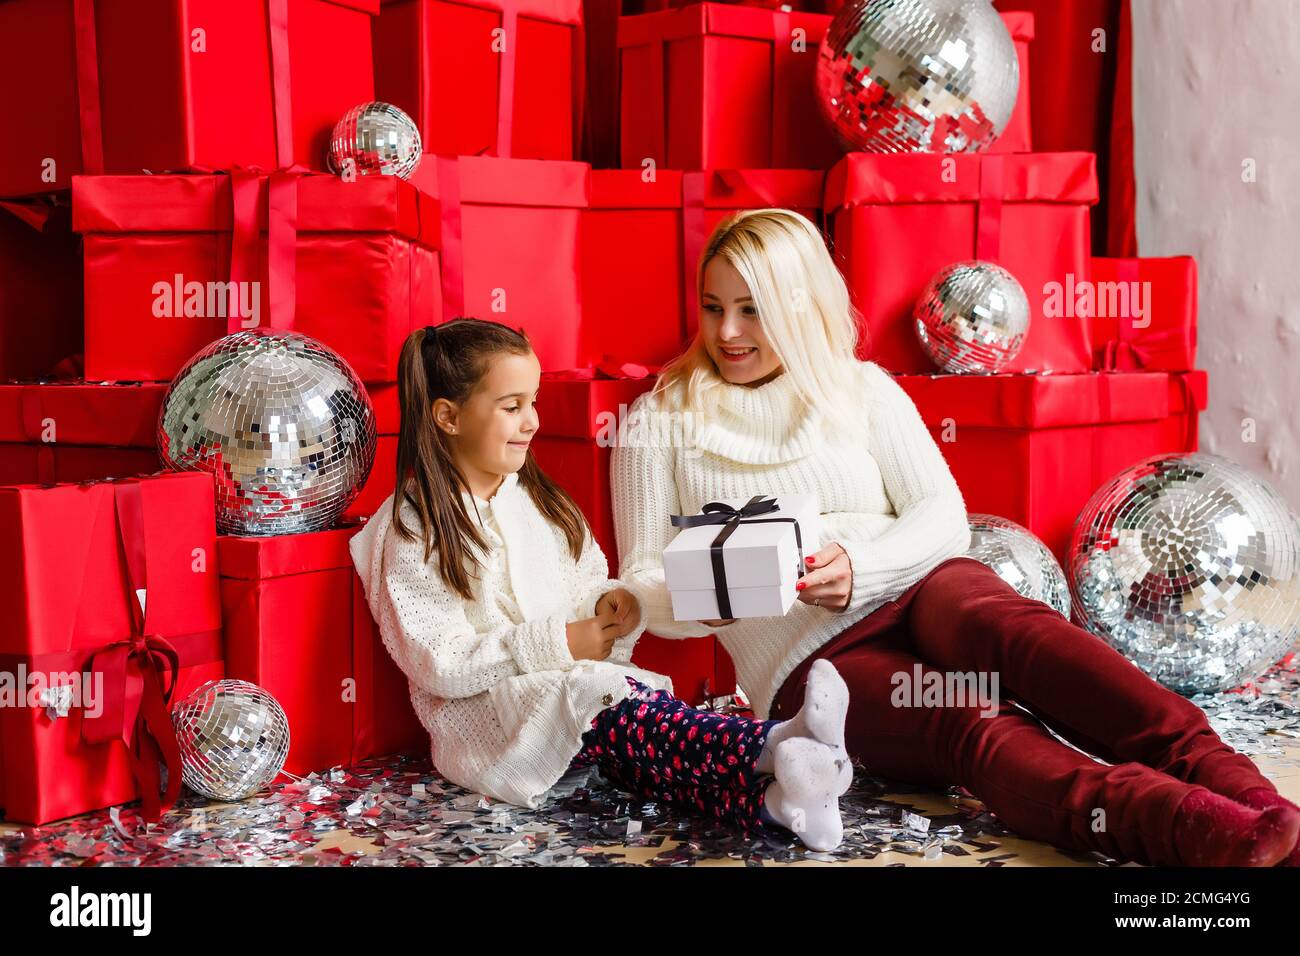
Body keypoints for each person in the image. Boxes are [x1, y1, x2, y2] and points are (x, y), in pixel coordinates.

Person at [609, 208, 1300, 867]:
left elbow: (941, 512)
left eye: (751, 308)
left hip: (922, 585)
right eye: (712, 305)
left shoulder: (861, 389)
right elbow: (642, 589)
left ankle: (1242, 791)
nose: (727, 330)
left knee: (1021, 638)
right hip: (809, 660)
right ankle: (1188, 830)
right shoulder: (658, 422)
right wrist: (717, 592)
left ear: (799, 304)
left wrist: (863, 564)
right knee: (969, 722)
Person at [348, 316, 855, 850]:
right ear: (448, 417)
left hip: (577, 704)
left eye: (534, 402)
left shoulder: (542, 503)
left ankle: (785, 805)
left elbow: (585, 584)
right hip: (495, 726)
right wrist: (560, 641)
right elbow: (439, 662)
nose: (532, 422)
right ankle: (778, 744)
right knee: (613, 704)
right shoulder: (411, 528)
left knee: (654, 762)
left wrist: (613, 607)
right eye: (512, 406)